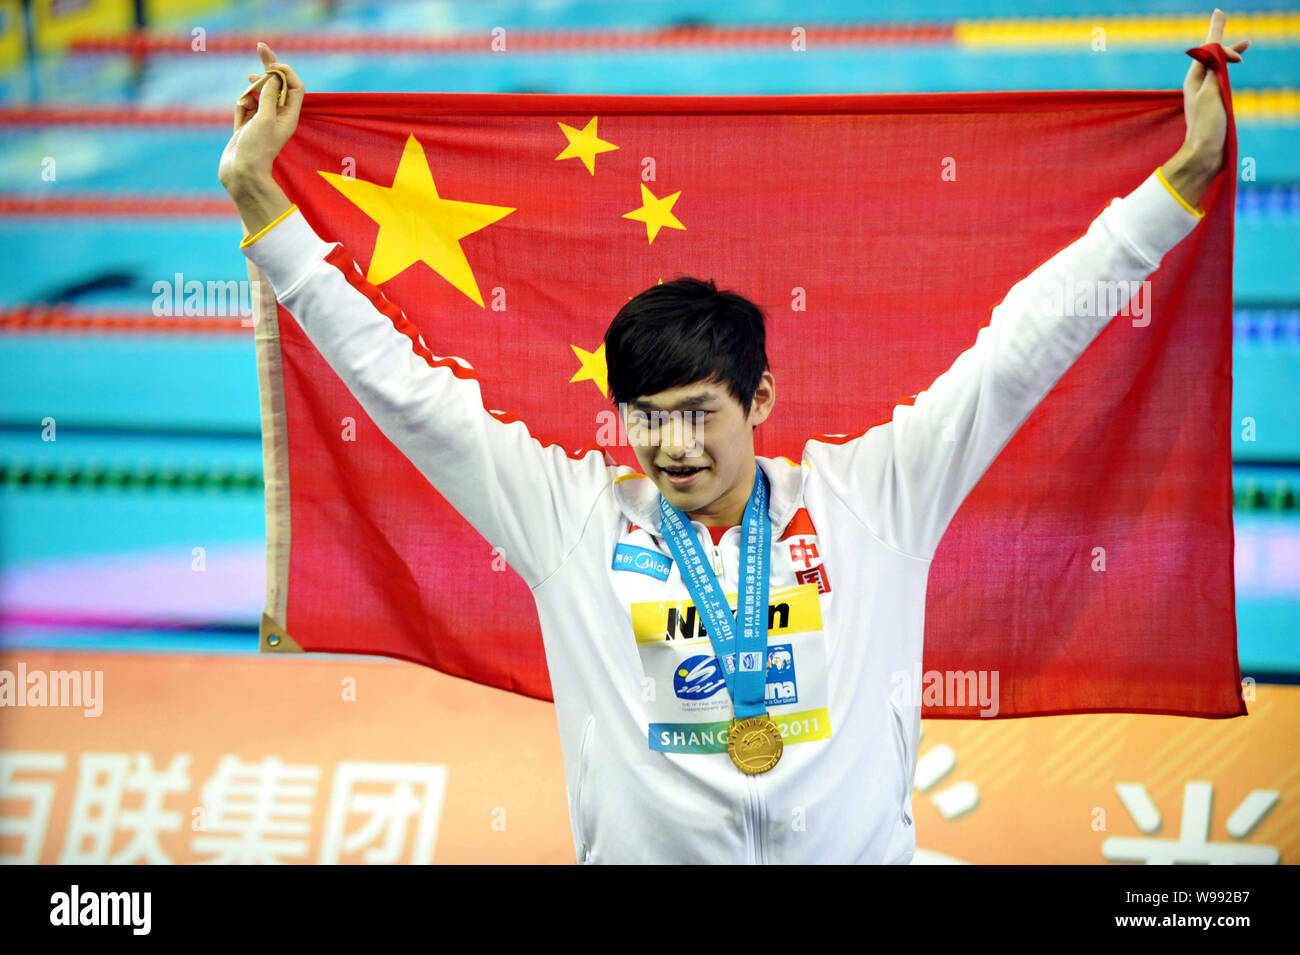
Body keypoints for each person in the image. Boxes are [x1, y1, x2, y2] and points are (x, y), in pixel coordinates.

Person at [219, 12, 1249, 863]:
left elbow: (1021, 347)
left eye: (697, 412)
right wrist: (260, 196)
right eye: (644, 416)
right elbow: (401, 390)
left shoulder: (874, 498)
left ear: (759, 400)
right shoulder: (567, 517)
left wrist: (1182, 182)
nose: (670, 445)